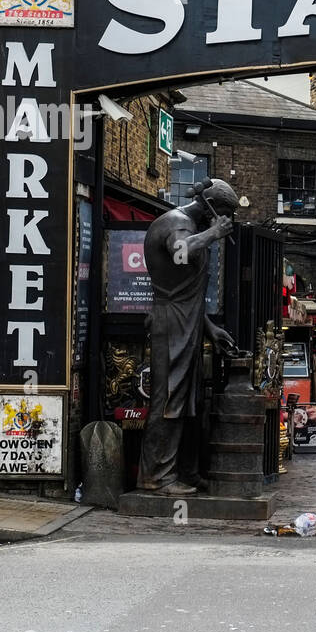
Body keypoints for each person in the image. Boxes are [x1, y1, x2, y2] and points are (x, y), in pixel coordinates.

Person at [138, 178, 239, 495]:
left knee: (189, 402)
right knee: (169, 400)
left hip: (189, 321)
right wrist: (213, 234)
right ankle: (156, 477)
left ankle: (186, 471)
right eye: (224, 213)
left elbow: (187, 292)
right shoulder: (179, 223)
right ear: (211, 206)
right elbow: (180, 252)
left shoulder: (191, 225)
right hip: (171, 324)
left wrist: (209, 327)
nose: (226, 220)